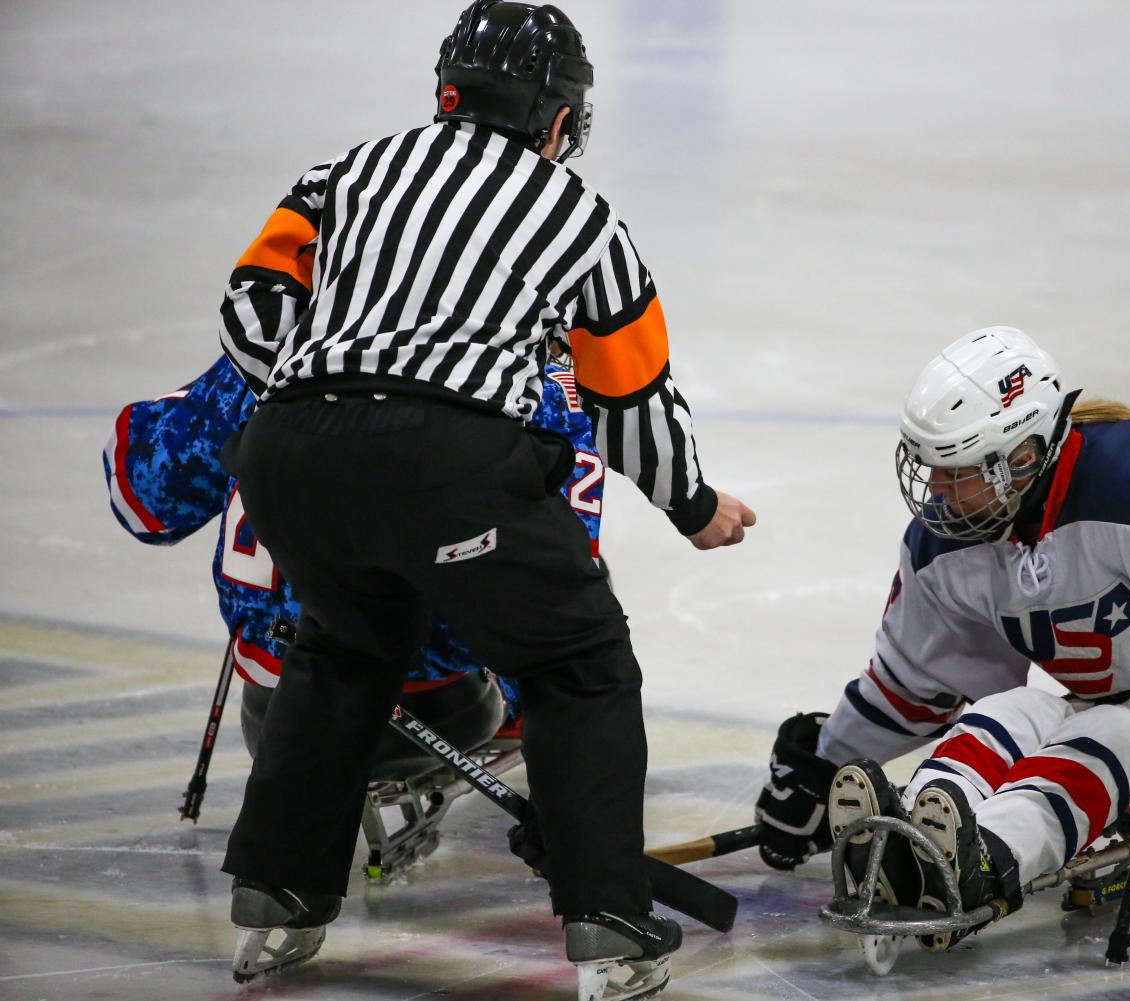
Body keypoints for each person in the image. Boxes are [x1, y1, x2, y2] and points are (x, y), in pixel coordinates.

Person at [210, 2, 754, 994]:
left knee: (343, 646)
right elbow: (629, 394)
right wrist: (692, 504)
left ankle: (278, 894)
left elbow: (248, 305)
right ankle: (607, 921)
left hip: (288, 456)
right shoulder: (578, 215)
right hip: (448, 466)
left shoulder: (349, 169)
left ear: (448, 93)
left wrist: (327, 384)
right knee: (578, 661)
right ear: (557, 121)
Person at [754, 326, 1130, 951]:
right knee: (1008, 710)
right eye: (930, 466)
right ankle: (918, 844)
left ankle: (987, 860)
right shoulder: (948, 545)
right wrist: (825, 764)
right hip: (1105, 715)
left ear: (1021, 456)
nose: (934, 490)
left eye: (956, 470)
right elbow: (916, 681)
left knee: (1117, 733)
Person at [103, 354, 604, 873]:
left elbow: (143, 502)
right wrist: (565, 779)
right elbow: (553, 594)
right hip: (429, 698)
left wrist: (218, 399)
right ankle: (519, 720)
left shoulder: (276, 345)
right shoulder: (533, 382)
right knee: (563, 563)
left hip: (277, 696)